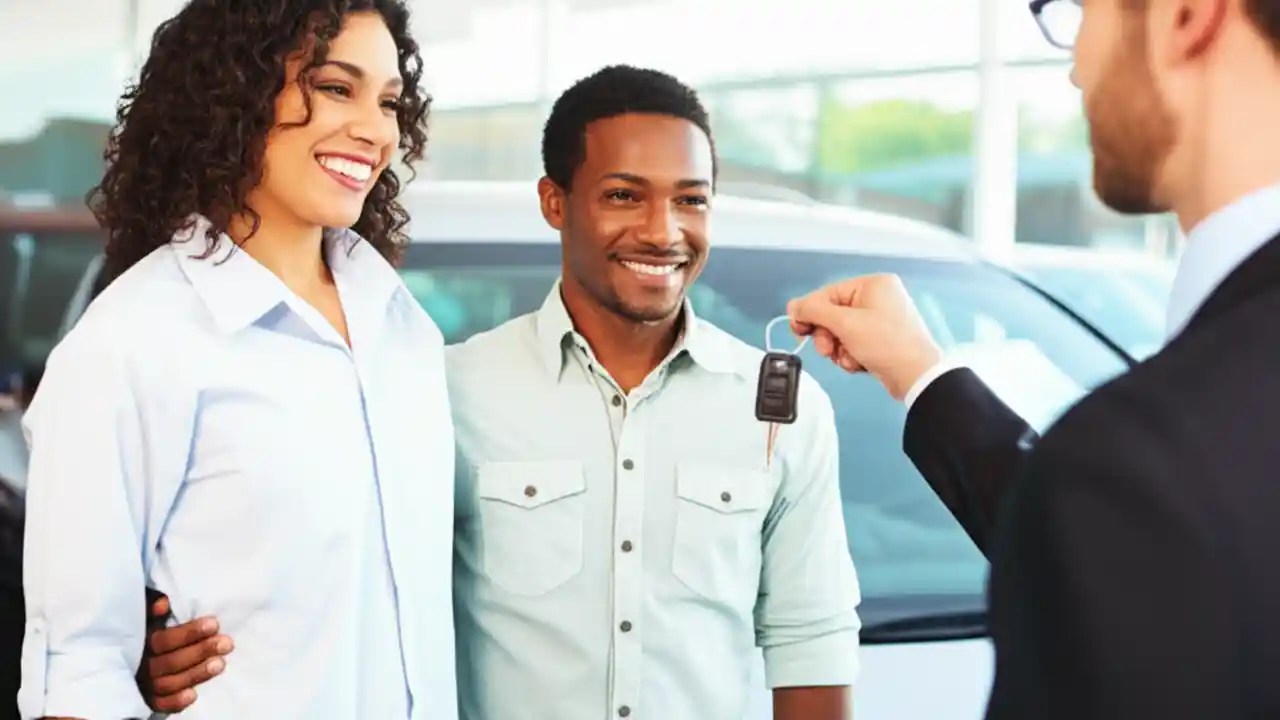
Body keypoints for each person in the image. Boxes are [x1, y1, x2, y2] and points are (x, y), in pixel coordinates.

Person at [136, 65, 863, 720]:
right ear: (554, 201)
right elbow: (327, 577)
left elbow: (811, 637)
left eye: (691, 201)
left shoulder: (782, 408)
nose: (662, 231)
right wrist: (164, 641)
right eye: (622, 196)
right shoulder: (439, 392)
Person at [787, 0, 1280, 717]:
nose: (1076, 64)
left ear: (1187, 13)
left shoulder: (1141, 459)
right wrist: (920, 372)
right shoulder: (1164, 456)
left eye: (1080, 10)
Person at [18, 2, 456, 719]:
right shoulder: (133, 343)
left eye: (388, 103)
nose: (377, 131)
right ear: (236, 94)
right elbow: (79, 671)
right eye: (336, 87)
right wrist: (136, 658)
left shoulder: (404, 330)